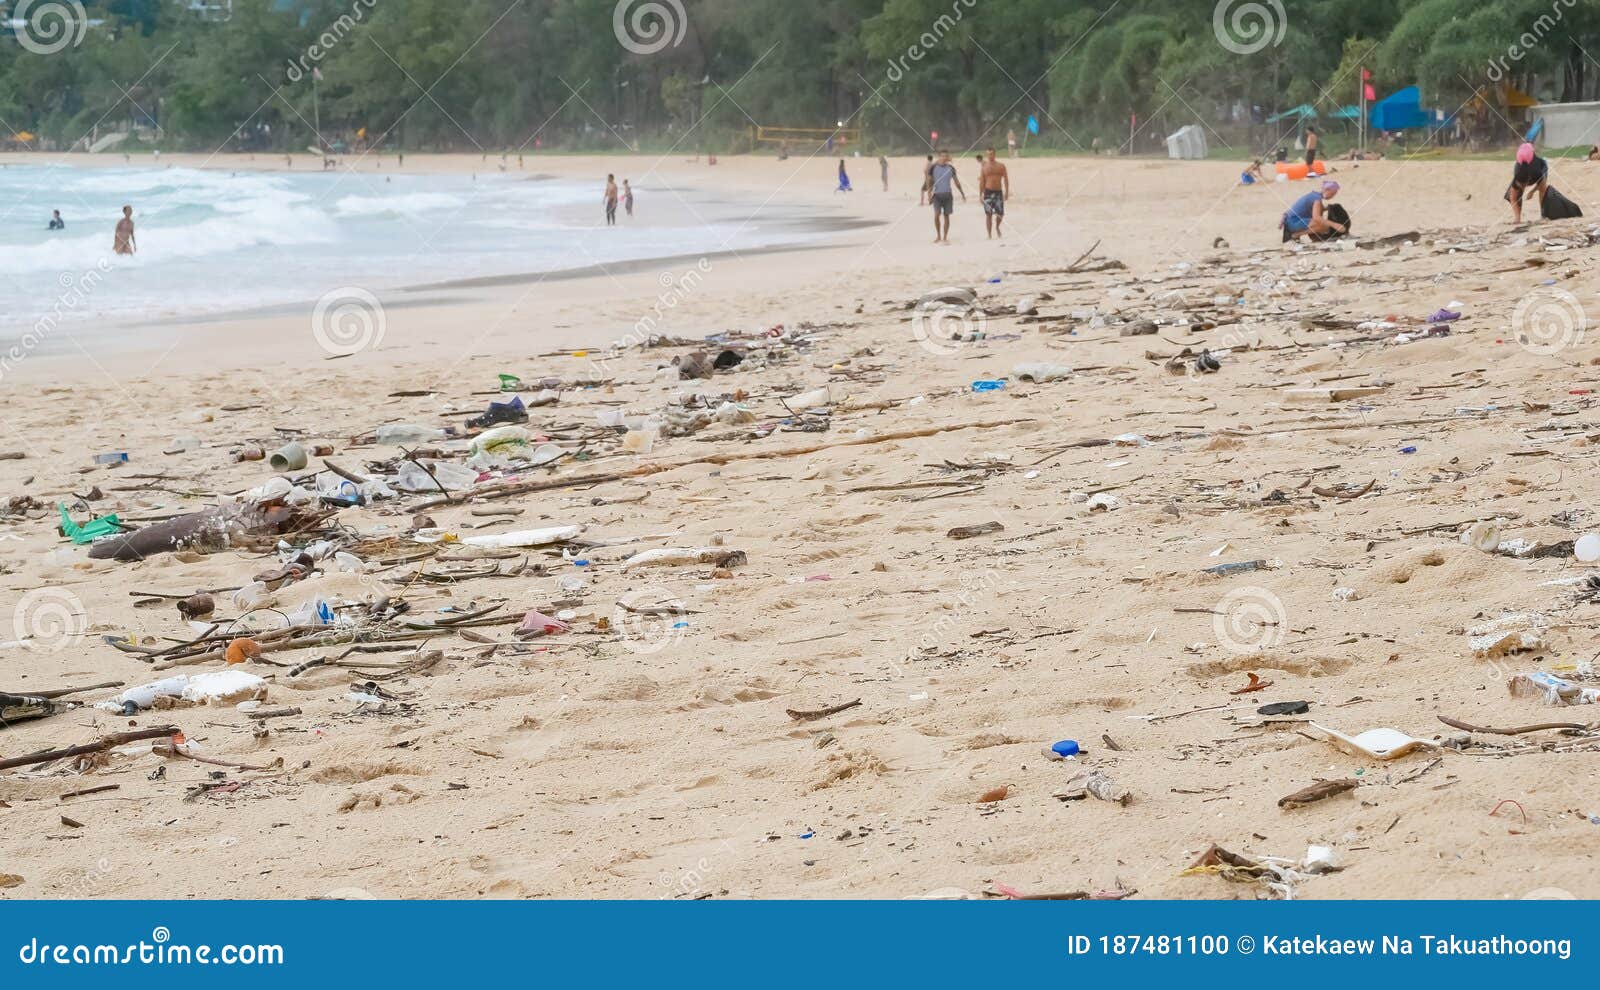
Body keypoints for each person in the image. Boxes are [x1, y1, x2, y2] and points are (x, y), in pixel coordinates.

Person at [1280, 180, 1345, 242]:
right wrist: (1334, 225)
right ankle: (1296, 235)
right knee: (1324, 226)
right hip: (1293, 222)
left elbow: (1318, 211)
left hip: (1292, 221)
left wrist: (1328, 209)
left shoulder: (1315, 195)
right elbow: (1317, 217)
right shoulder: (1317, 199)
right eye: (1332, 194)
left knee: (1322, 223)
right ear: (1327, 190)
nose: (1332, 196)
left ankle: (1313, 237)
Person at [928, 150, 965, 244]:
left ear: (947, 158)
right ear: (939, 157)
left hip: (948, 195)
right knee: (936, 215)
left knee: (946, 216)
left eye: (946, 156)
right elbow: (930, 182)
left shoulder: (951, 168)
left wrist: (962, 193)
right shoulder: (933, 168)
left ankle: (945, 237)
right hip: (937, 195)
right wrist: (929, 194)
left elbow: (956, 182)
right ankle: (938, 236)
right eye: (942, 156)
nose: (944, 158)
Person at [980, 147, 1010, 239]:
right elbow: (982, 181)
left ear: (995, 154)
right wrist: (980, 194)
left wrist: (1007, 192)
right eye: (988, 154)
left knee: (1000, 213)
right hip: (988, 191)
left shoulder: (1001, 166)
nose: (990, 156)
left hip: (998, 191)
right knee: (988, 214)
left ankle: (997, 227)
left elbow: (1005, 179)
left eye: (991, 154)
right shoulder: (984, 167)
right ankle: (989, 234)